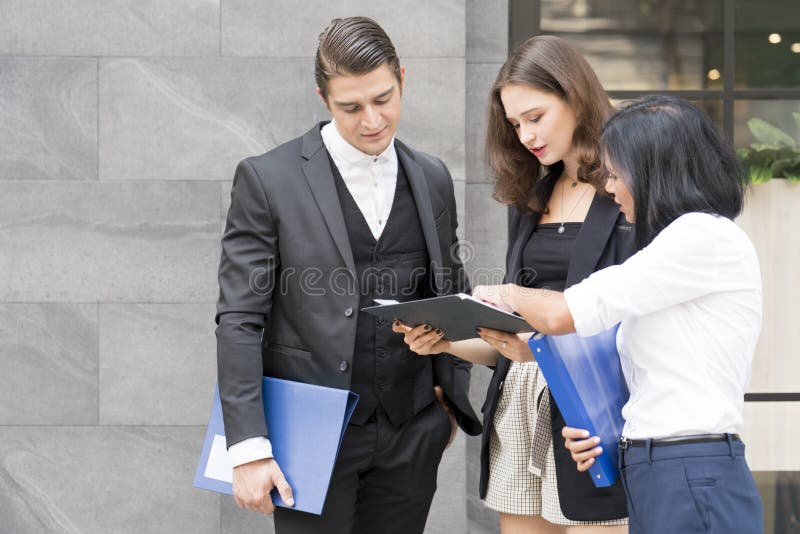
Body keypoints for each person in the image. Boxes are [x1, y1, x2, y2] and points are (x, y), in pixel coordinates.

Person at [215, 16, 481, 534]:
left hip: (412, 430)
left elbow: (452, 291)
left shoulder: (431, 177)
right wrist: (247, 449)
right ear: (323, 97)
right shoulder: (268, 179)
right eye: (351, 107)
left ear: (402, 77)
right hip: (308, 434)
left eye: (384, 98)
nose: (372, 120)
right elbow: (239, 319)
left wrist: (446, 402)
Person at [469, 95, 765, 534]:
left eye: (617, 173)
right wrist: (601, 435)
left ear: (654, 172)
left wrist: (501, 293)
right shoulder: (677, 244)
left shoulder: (702, 238)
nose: (609, 188)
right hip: (656, 466)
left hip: (688, 467)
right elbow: (639, 368)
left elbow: (564, 313)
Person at [395, 35, 630, 533]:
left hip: (591, 414)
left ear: (575, 97)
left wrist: (541, 342)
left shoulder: (628, 191)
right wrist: (446, 341)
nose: (525, 135)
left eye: (535, 117)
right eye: (515, 123)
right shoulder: (534, 195)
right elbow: (512, 344)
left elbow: (629, 322)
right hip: (519, 406)